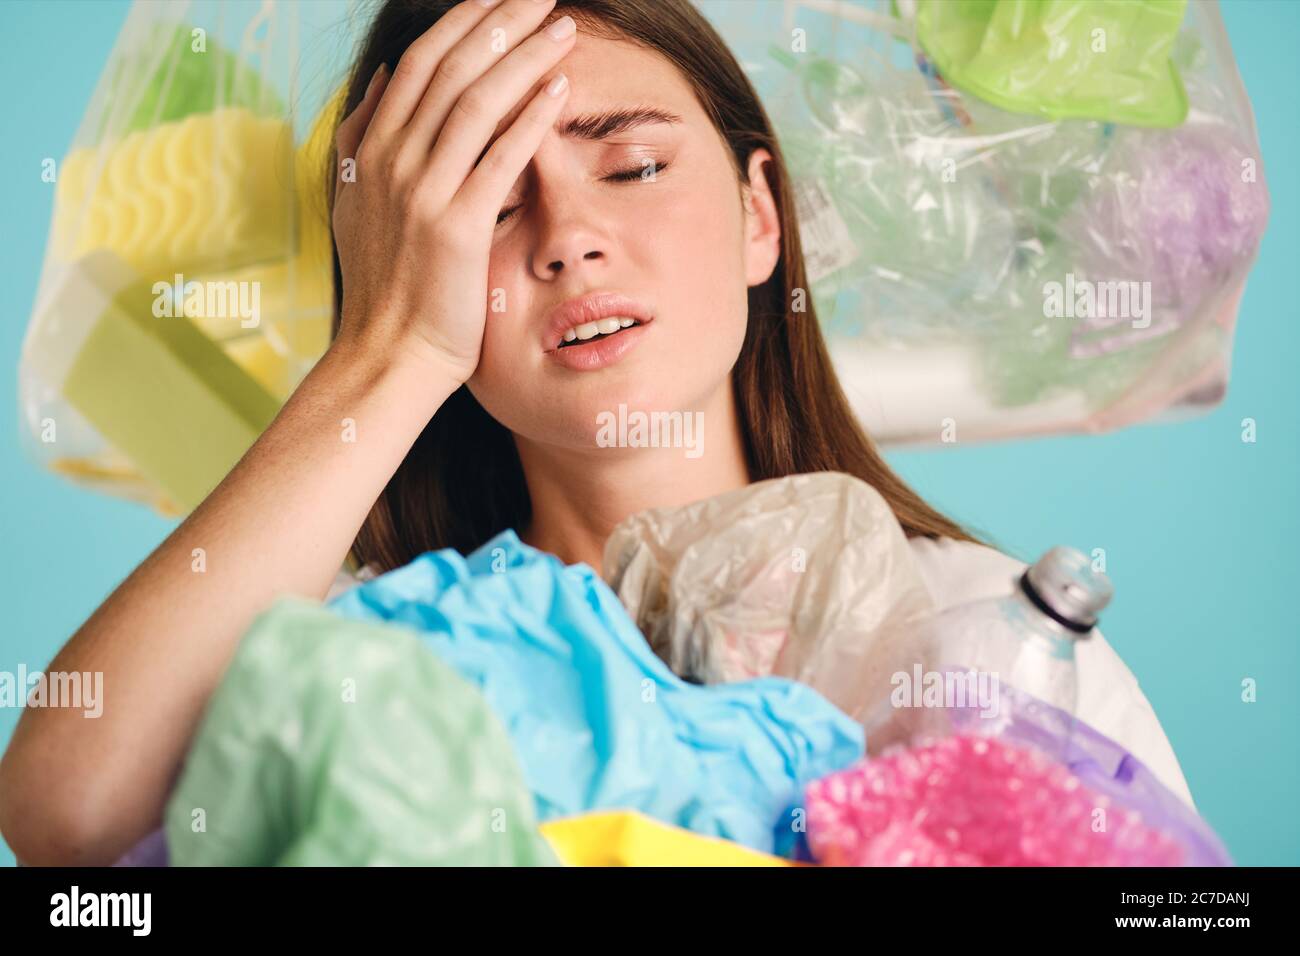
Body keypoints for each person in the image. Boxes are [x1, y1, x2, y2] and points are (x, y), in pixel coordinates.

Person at [0, 0, 1191, 867]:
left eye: (630, 164)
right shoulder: (359, 669)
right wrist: (386, 351)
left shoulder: (978, 646)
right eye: (491, 200)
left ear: (758, 214)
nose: (567, 236)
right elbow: (65, 824)